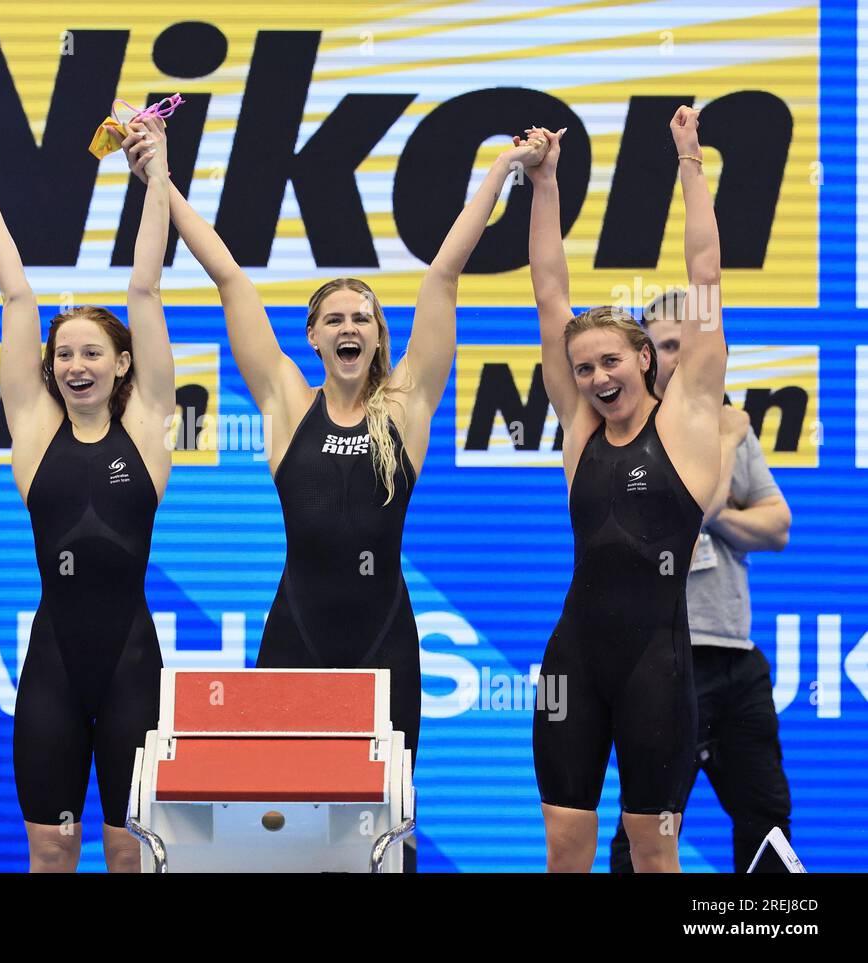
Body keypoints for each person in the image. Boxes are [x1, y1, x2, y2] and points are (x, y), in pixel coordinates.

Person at [146, 119, 549, 871]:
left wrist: (501, 174)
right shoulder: (285, 406)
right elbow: (230, 277)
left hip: (383, 640)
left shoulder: (407, 409)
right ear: (312, 336)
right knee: (278, 823)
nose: (349, 324)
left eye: (362, 315)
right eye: (334, 317)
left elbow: (442, 276)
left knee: (386, 826)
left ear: (378, 334)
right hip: (293, 635)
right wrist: (159, 182)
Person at [527, 107, 728, 872]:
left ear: (645, 358)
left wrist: (690, 165)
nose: (597, 377)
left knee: (652, 851)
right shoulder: (579, 430)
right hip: (570, 662)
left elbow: (705, 275)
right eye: (584, 368)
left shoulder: (686, 421)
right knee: (566, 847)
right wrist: (544, 183)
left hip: (659, 669)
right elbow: (551, 291)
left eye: (611, 361)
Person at [0, 114, 175, 872]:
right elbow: (17, 297)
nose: (74, 364)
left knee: (129, 855)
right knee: (52, 853)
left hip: (134, 670)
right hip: (51, 671)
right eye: (64, 354)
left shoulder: (150, 425)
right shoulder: (32, 429)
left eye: (93, 350)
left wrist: (154, 178)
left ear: (123, 363)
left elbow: (145, 287)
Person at [607, 288, 793, 872]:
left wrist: (725, 511)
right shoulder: (630, 431)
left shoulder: (725, 419)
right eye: (667, 346)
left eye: (692, 347)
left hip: (737, 659)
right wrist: (729, 441)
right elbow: (684, 516)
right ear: (643, 356)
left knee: (767, 818)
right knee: (647, 823)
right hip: (664, 658)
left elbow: (778, 526)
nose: (682, 360)